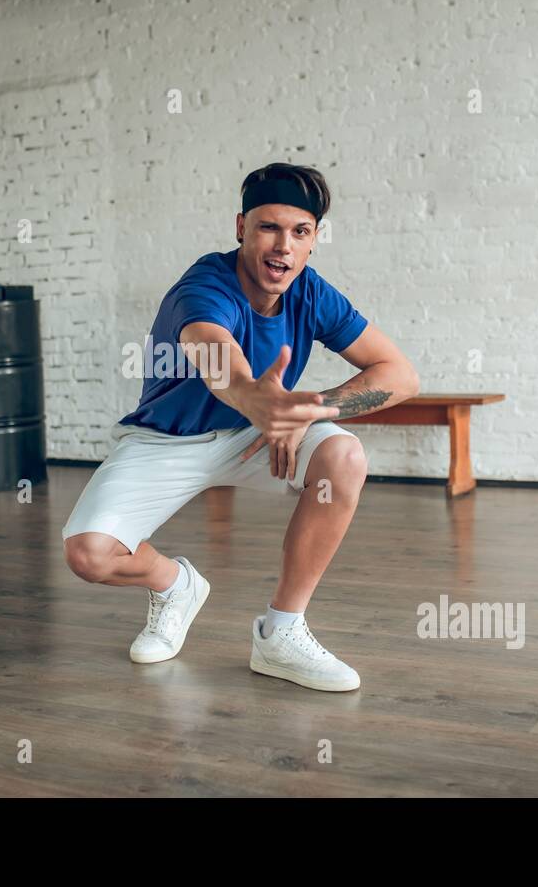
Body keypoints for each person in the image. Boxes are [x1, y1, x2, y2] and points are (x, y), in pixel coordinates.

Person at [62, 162, 420, 691]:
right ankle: (175, 585)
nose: (283, 247)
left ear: (314, 239)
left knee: (343, 456)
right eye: (269, 228)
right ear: (241, 228)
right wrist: (259, 400)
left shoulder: (313, 294)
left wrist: (310, 410)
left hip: (260, 435)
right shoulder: (204, 285)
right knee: (88, 555)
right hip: (170, 439)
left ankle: (281, 634)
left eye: (300, 232)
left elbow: (401, 374)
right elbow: (217, 358)